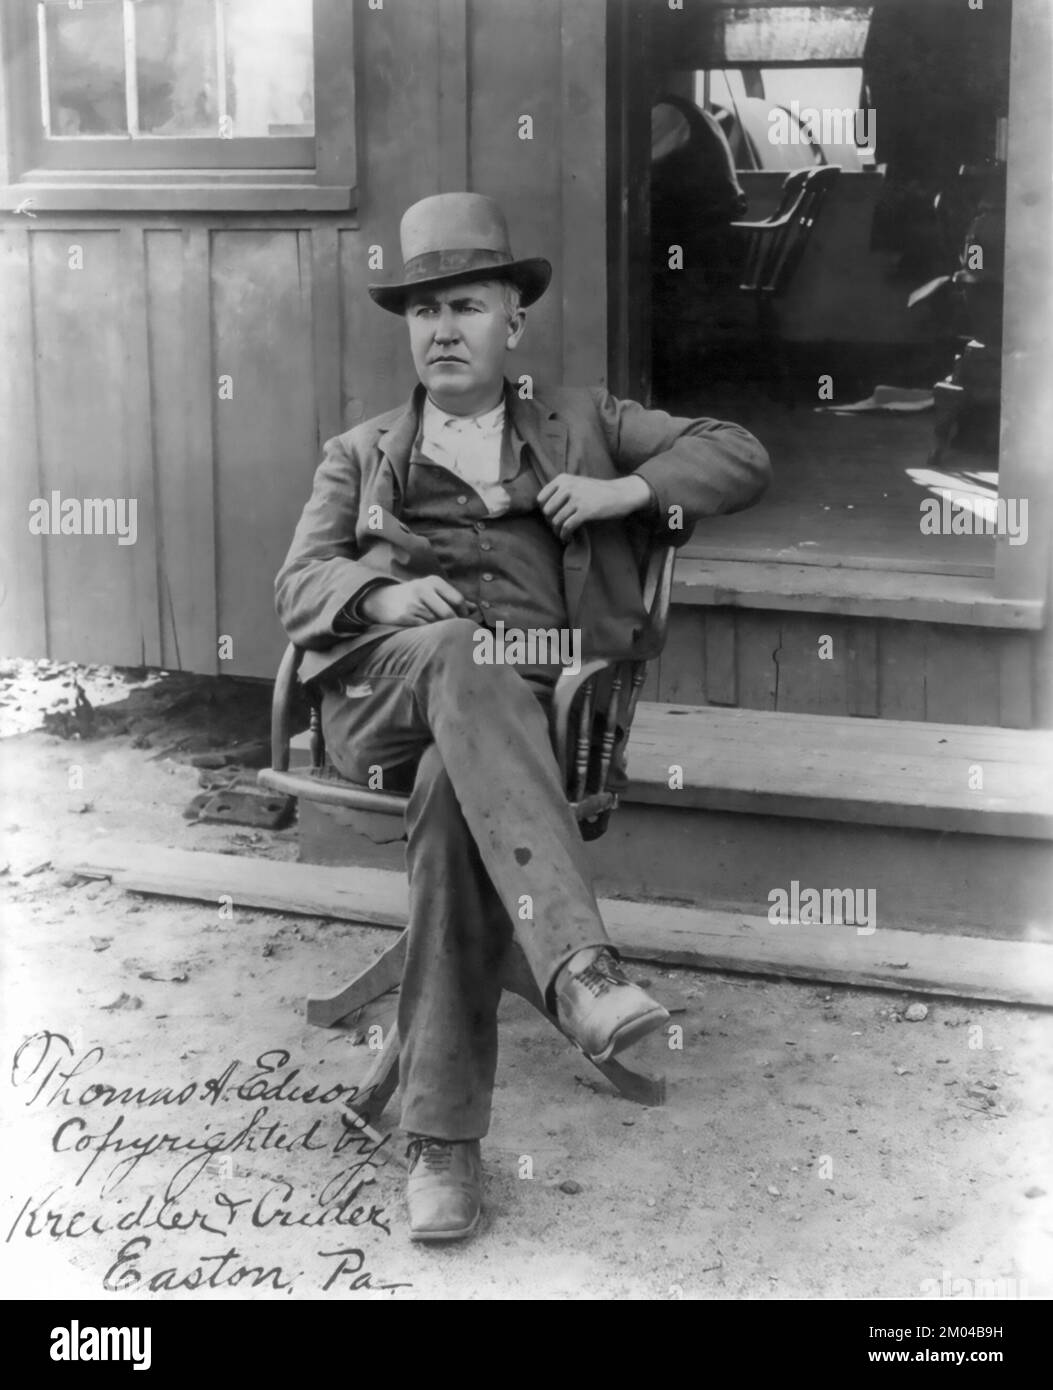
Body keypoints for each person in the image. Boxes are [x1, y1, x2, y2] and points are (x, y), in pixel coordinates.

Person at [276, 193, 770, 1242]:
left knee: (457, 792)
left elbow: (740, 453)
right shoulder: (361, 452)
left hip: (531, 722)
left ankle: (442, 1146)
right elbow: (298, 583)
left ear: (515, 322)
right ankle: (582, 972)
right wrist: (380, 596)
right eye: (421, 312)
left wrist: (623, 492)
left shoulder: (584, 425)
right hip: (387, 701)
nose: (441, 330)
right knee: (464, 653)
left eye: (464, 304)